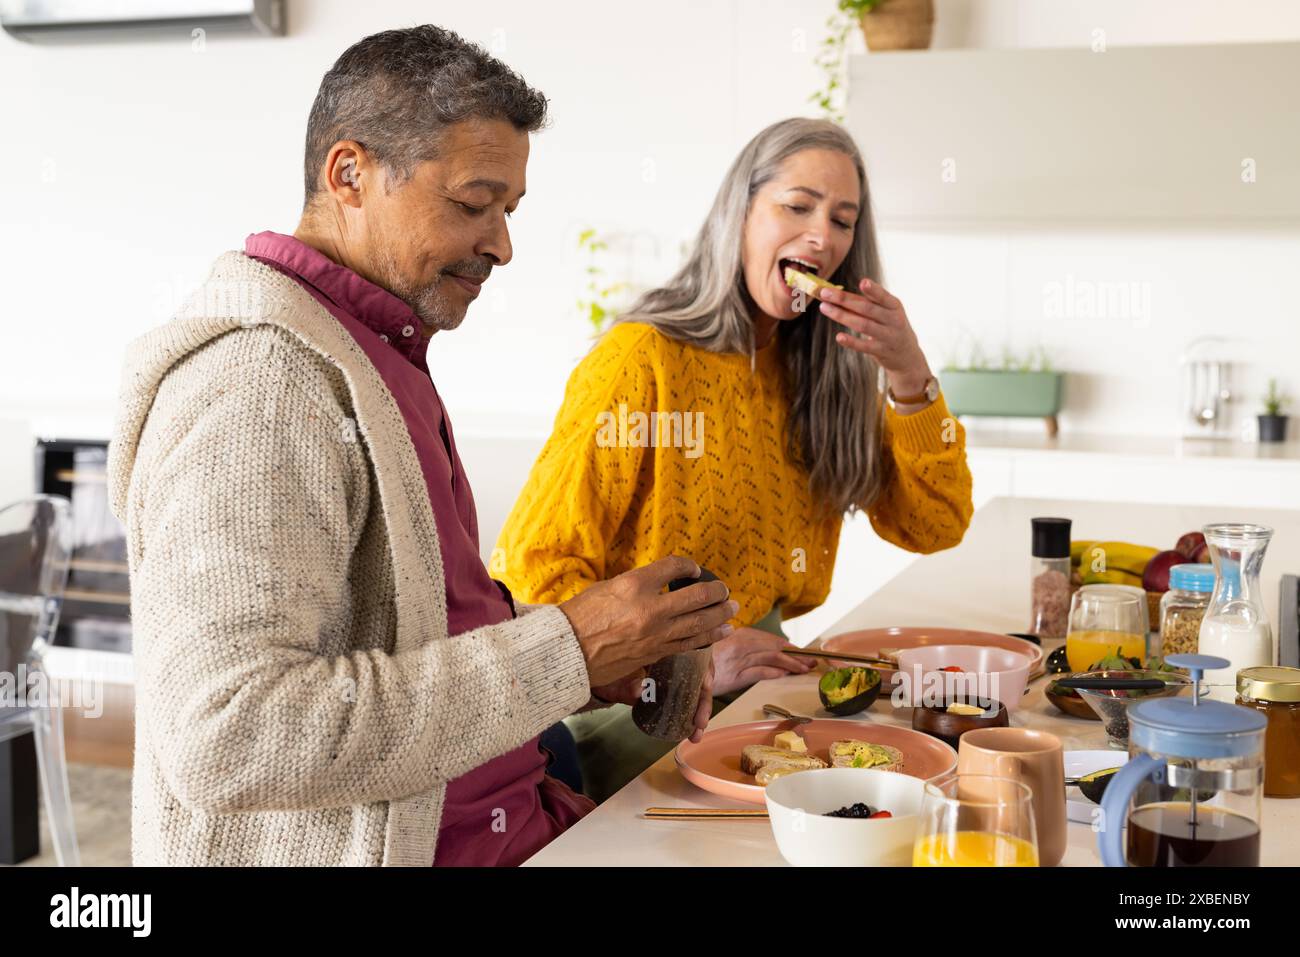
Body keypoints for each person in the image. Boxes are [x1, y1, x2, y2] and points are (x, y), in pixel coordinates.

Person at [105, 25, 734, 867]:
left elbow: (409, 632)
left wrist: (594, 661)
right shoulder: (258, 384)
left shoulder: (374, 350)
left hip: (534, 813)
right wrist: (564, 650)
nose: (502, 245)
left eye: (508, 212)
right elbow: (228, 733)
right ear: (349, 175)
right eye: (473, 204)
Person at [496, 117, 974, 801]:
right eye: (798, 205)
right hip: (636, 712)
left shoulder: (823, 372)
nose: (823, 236)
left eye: (843, 219)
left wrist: (909, 374)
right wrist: (686, 666)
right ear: (740, 214)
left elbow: (936, 525)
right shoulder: (641, 362)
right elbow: (531, 577)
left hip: (757, 689)